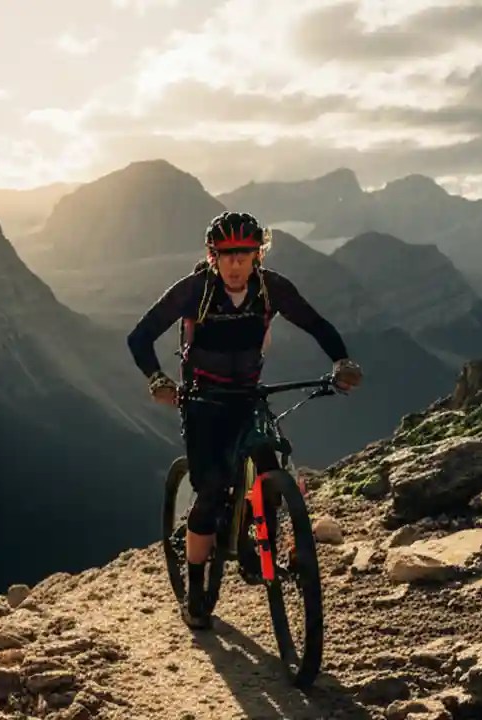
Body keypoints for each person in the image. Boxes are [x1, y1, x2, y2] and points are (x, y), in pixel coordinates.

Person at [126, 210, 362, 630]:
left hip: (248, 392)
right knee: (212, 490)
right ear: (213, 256)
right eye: (227, 255)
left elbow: (316, 324)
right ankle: (196, 594)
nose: (236, 264)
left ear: (259, 255)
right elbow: (140, 336)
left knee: (272, 457)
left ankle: (265, 545)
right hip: (202, 397)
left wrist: (341, 361)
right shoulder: (195, 289)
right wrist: (157, 379)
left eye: (245, 254)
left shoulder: (271, 289)